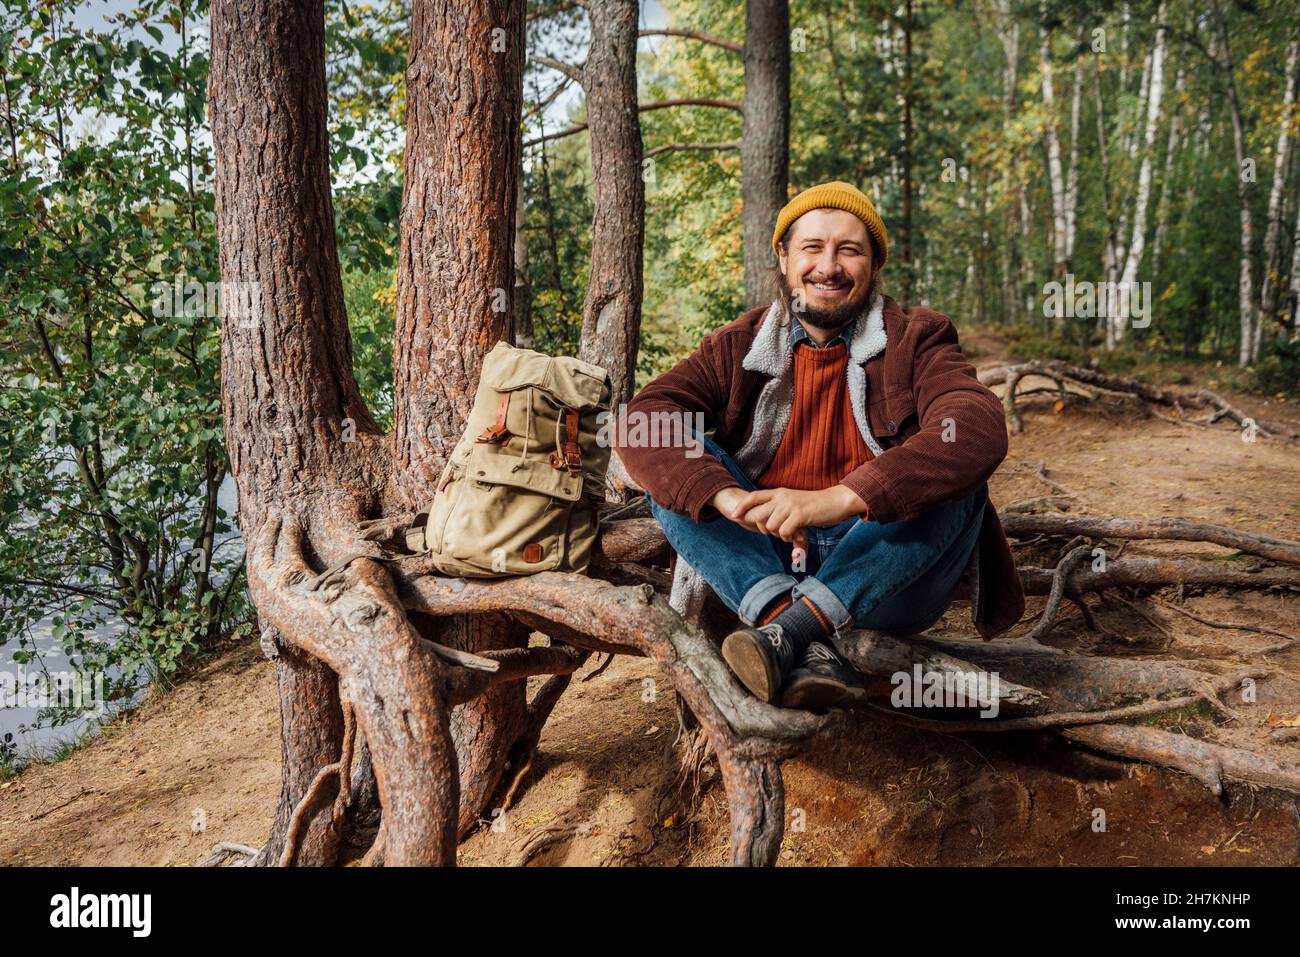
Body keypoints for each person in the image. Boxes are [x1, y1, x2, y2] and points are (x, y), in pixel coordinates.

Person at [613, 181, 1024, 713]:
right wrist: (729, 500)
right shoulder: (736, 345)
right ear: (783, 258)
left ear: (873, 264)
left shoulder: (917, 338)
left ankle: (786, 629)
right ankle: (801, 628)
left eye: (849, 250)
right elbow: (642, 420)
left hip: (884, 567)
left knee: (961, 479)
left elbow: (977, 425)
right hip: (765, 555)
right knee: (676, 466)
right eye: (811, 248)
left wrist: (836, 498)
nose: (828, 266)